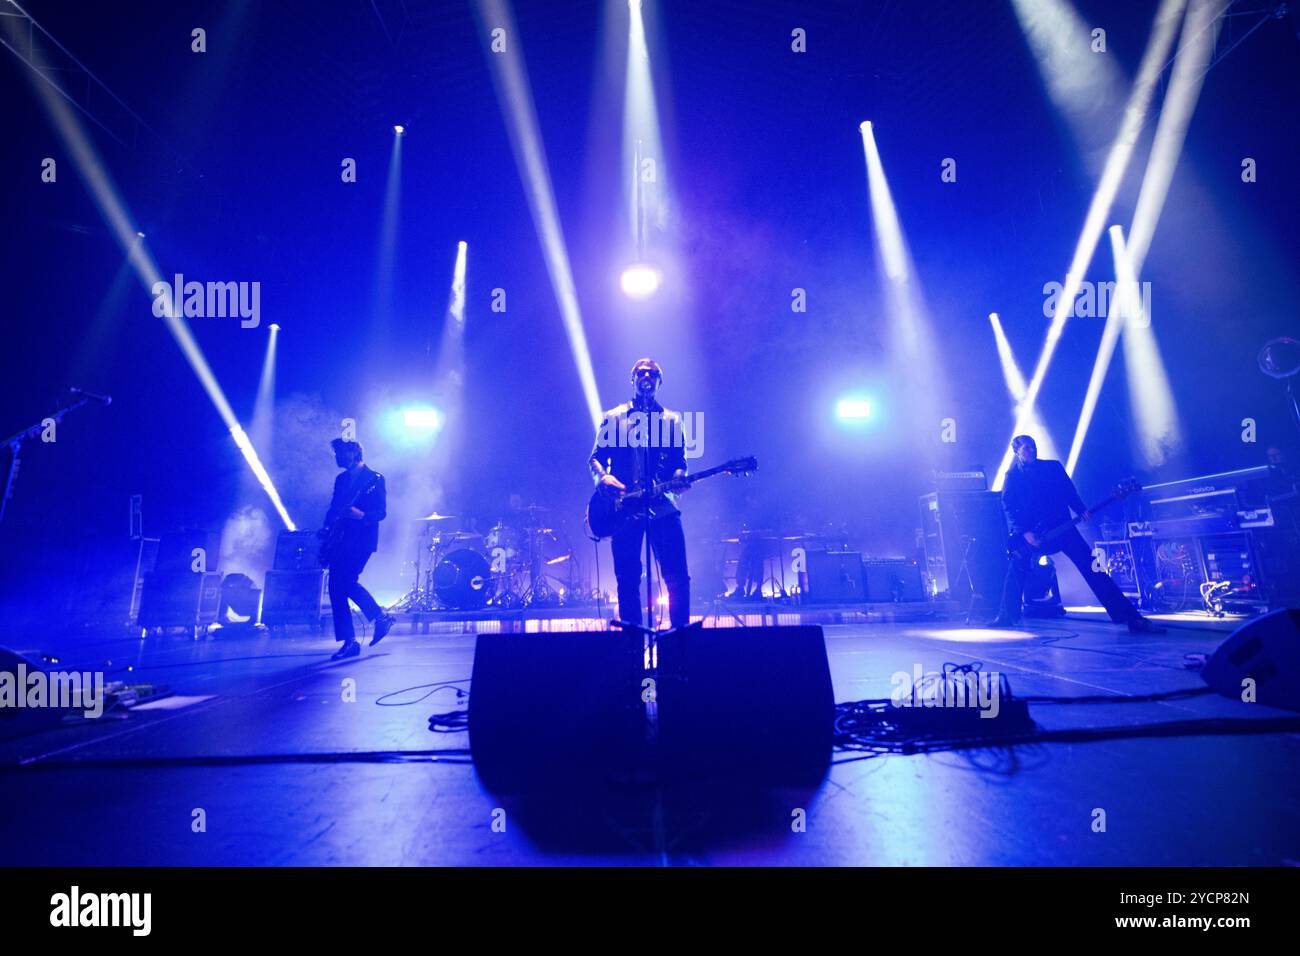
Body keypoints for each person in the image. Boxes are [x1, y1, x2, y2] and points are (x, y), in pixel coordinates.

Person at [991, 435, 1163, 633]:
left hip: (1063, 528)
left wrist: (1080, 509)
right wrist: (1024, 532)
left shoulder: (1052, 467)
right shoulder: (1012, 476)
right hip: (1034, 536)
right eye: (1026, 448)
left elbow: (1069, 492)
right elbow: (1008, 506)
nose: (1032, 450)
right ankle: (1006, 616)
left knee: (1094, 570)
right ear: (1017, 452)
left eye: (1033, 446)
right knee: (1015, 570)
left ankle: (1131, 618)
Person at [589, 358, 692, 629]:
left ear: (660, 381)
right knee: (628, 578)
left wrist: (679, 476)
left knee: (677, 576)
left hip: (663, 506)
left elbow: (679, 461)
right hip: (625, 508)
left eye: (653, 374)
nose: (647, 377)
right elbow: (596, 457)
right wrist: (603, 477)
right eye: (641, 373)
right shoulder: (613, 417)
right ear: (632, 379)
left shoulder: (672, 420)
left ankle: (679, 639)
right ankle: (632, 641)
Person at [321, 438, 394, 659]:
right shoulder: (341, 479)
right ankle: (357, 636)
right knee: (337, 587)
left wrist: (361, 515)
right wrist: (325, 530)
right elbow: (334, 508)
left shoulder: (374, 478)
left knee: (344, 582)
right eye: (336, 454)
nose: (337, 457)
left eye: (341, 453)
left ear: (354, 453)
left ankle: (372, 624)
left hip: (361, 541)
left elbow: (381, 512)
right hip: (340, 540)